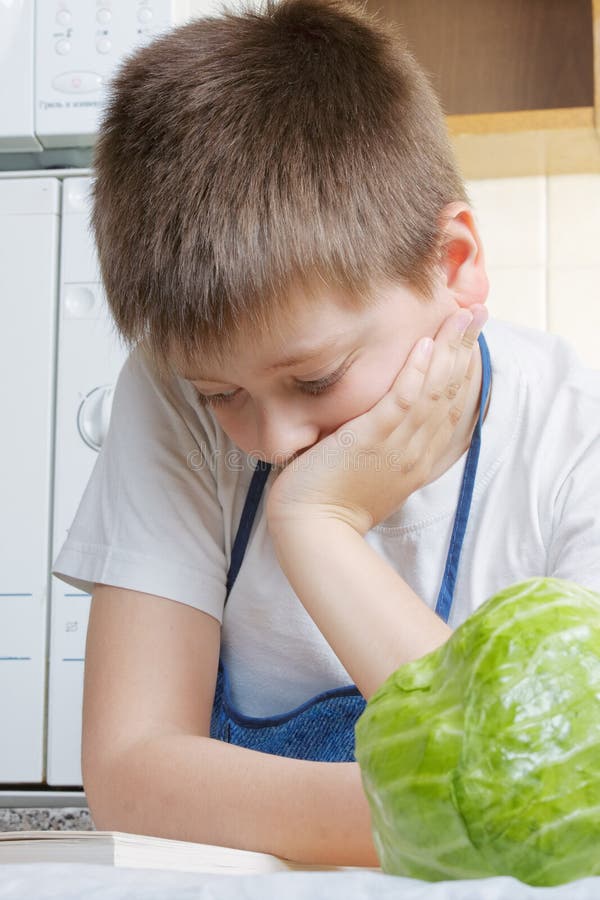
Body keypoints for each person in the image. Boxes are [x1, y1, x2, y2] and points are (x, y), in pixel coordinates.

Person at [52, 0, 600, 867]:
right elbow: (128, 770)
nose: (273, 436)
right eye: (221, 394)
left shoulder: (575, 435)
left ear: (455, 265)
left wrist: (318, 525)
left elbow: (570, 799)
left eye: (316, 379)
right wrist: (453, 813)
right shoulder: (167, 397)